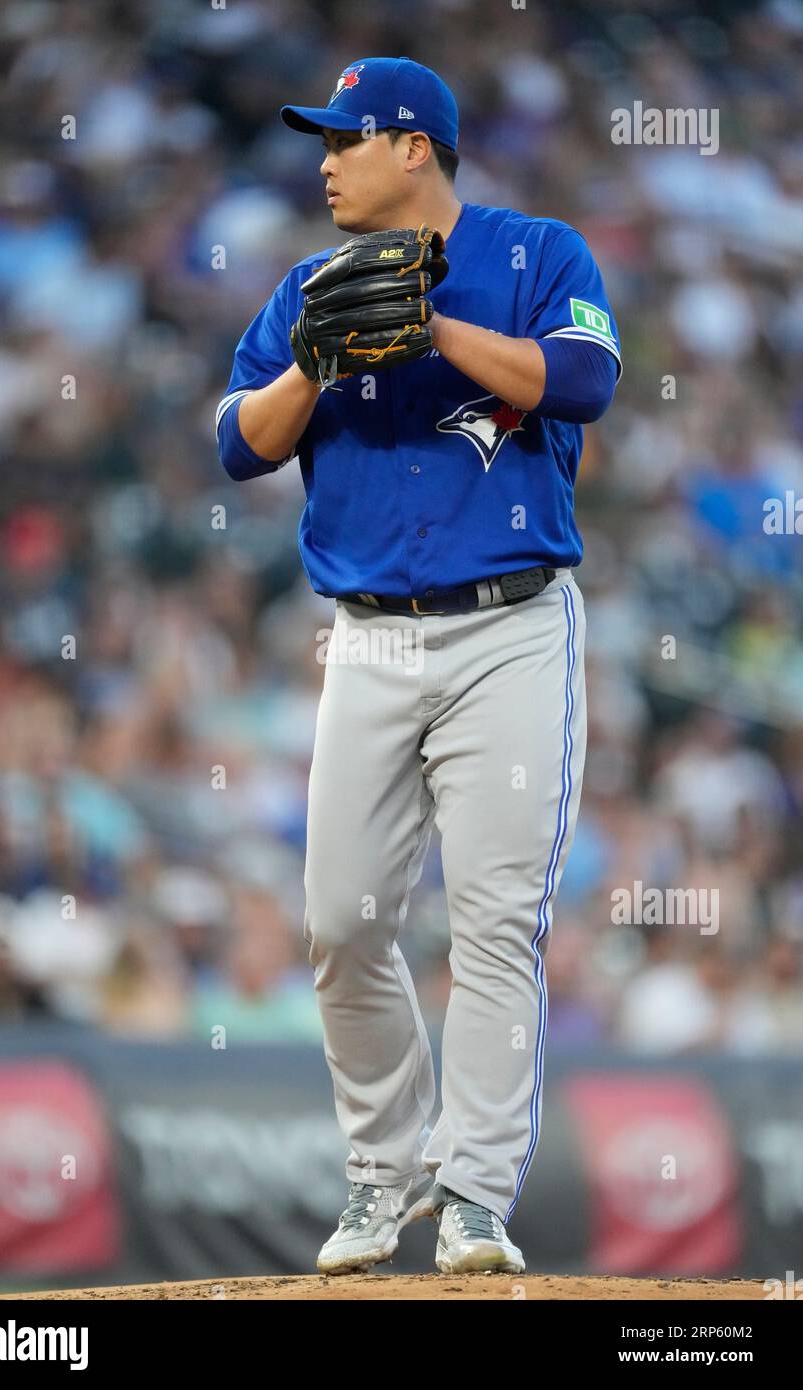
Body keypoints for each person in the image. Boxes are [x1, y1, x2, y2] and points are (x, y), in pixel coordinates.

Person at [215, 56, 621, 1276]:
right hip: (369, 637)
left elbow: (588, 380)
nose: (324, 160)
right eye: (321, 141)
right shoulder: (305, 286)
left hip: (510, 627)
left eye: (345, 138)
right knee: (342, 919)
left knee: (495, 921)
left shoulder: (536, 251)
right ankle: (380, 1175)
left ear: (414, 149)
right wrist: (315, 361)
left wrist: (428, 327)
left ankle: (475, 1197)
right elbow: (235, 441)